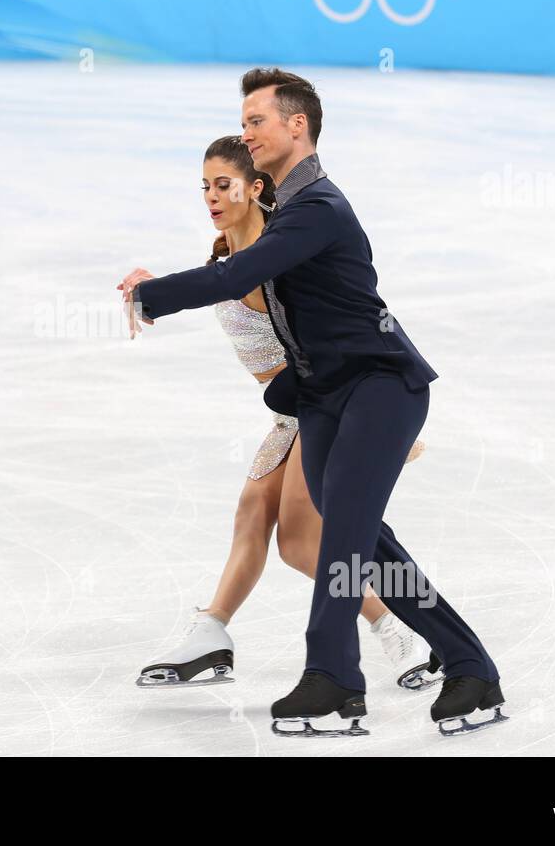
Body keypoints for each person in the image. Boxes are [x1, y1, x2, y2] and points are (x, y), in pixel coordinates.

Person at [120, 69, 506, 738]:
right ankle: (470, 667)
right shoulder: (289, 215)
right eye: (243, 123)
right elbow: (240, 267)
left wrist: (151, 297)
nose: (247, 133)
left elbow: (237, 274)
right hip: (322, 398)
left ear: (296, 126)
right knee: (368, 545)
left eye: (257, 120)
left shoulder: (319, 208)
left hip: (380, 387)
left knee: (342, 540)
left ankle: (333, 682)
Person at [131, 136, 437, 693]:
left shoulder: (290, 252)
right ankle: (211, 634)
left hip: (331, 406)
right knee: (252, 515)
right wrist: (149, 288)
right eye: (205, 186)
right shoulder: (225, 265)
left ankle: (401, 629)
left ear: (256, 188)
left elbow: (353, 321)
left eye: (223, 184)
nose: (211, 197)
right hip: (293, 414)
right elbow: (220, 288)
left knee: (299, 544)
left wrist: (379, 412)